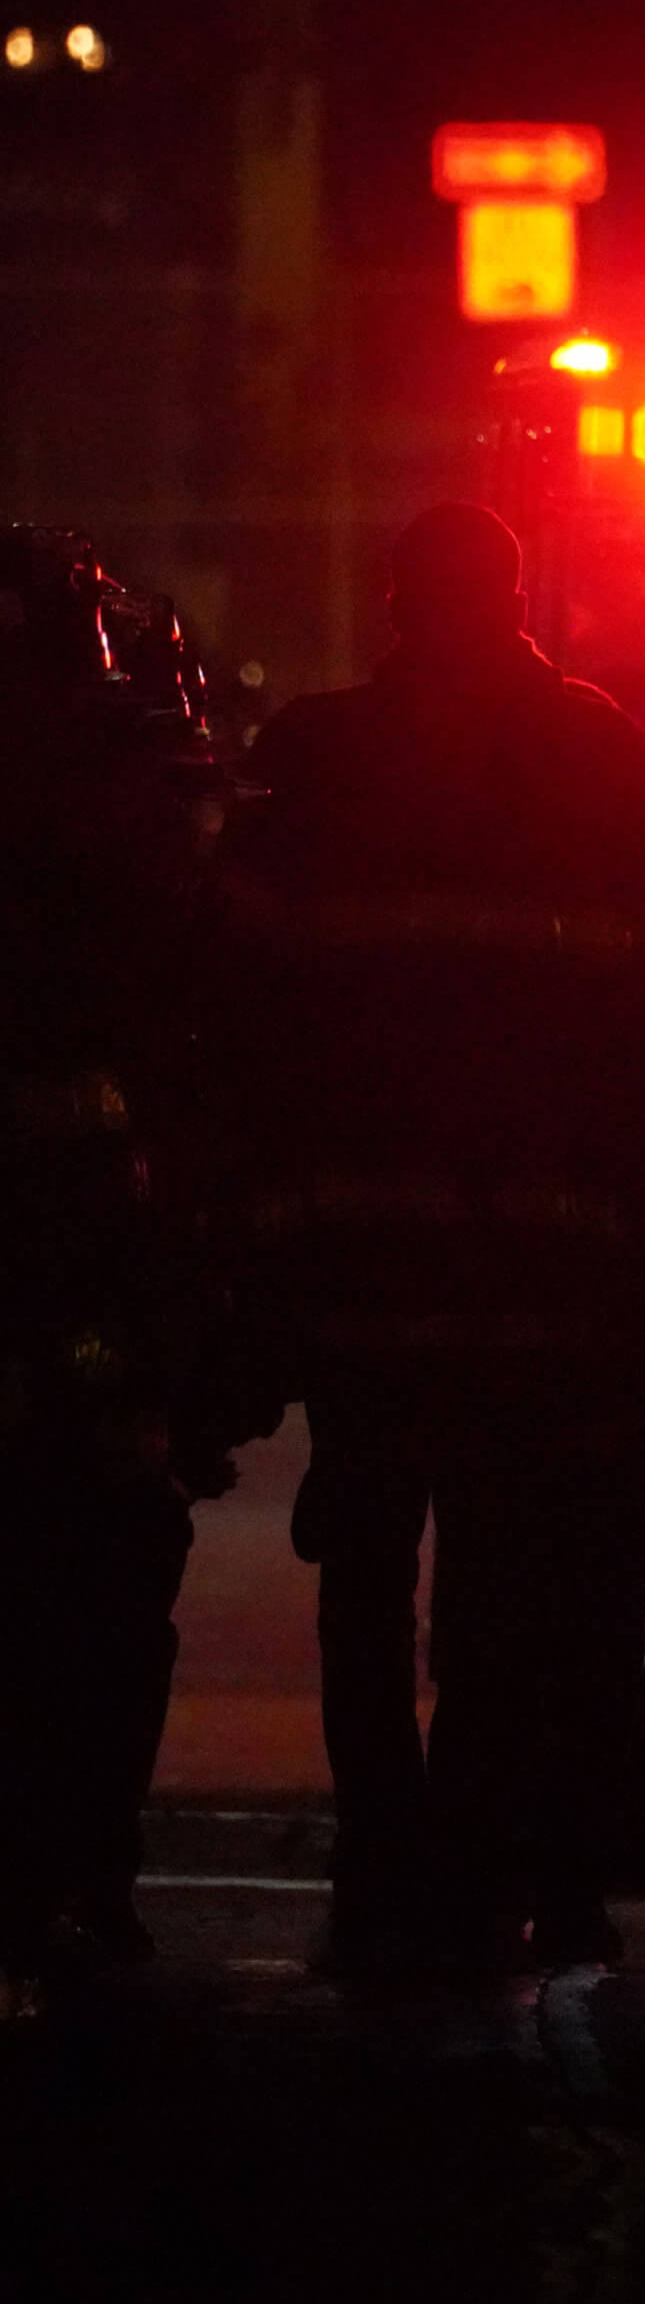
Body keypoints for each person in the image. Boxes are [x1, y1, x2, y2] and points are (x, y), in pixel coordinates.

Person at [217, 503, 645, 1978]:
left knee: (362, 1578)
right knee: (504, 1583)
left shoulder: (314, 757)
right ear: (515, 593)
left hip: (361, 1267)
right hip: (543, 1274)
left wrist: (259, 1250)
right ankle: (479, 1877)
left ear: (398, 599)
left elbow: (246, 1021)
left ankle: (382, 1873)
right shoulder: (603, 755)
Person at [0, 530, 254, 2003]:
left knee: (106, 1556)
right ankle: (82, 1873)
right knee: (105, 1565)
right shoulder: (138, 828)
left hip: (96, 1289)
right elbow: (213, 1048)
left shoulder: (123, 826)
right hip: (94, 1292)